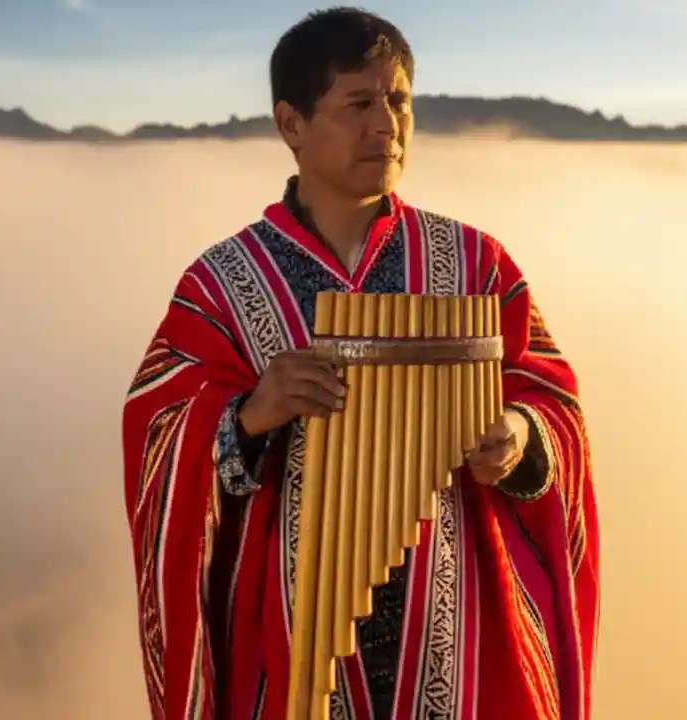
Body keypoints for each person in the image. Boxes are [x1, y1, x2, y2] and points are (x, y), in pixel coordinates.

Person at [120, 7, 599, 719]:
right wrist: (250, 416)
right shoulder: (220, 283)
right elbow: (155, 430)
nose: (387, 126)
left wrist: (522, 438)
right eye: (358, 104)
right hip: (288, 645)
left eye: (399, 100)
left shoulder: (477, 264)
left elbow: (552, 400)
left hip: (460, 629)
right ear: (291, 124)